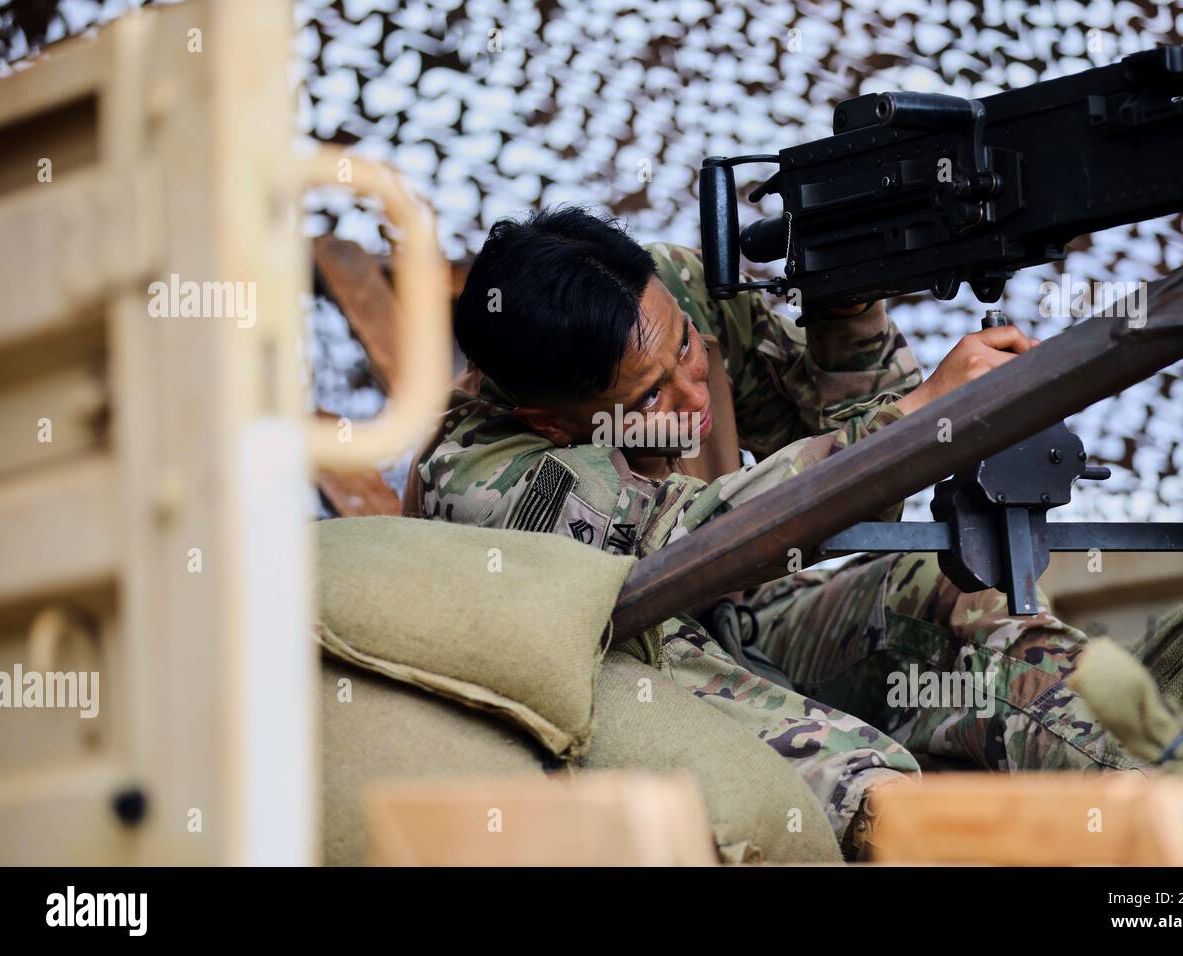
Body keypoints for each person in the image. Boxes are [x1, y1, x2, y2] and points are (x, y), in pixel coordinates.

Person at [404, 205, 1142, 856]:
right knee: (843, 785)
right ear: (548, 420)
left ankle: (1157, 786)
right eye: (650, 393)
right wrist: (919, 418)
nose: (693, 394)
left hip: (748, 619)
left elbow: (829, 441)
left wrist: (849, 304)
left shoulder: (671, 291)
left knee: (951, 596)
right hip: (635, 670)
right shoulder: (479, 476)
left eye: (687, 349)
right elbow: (704, 536)